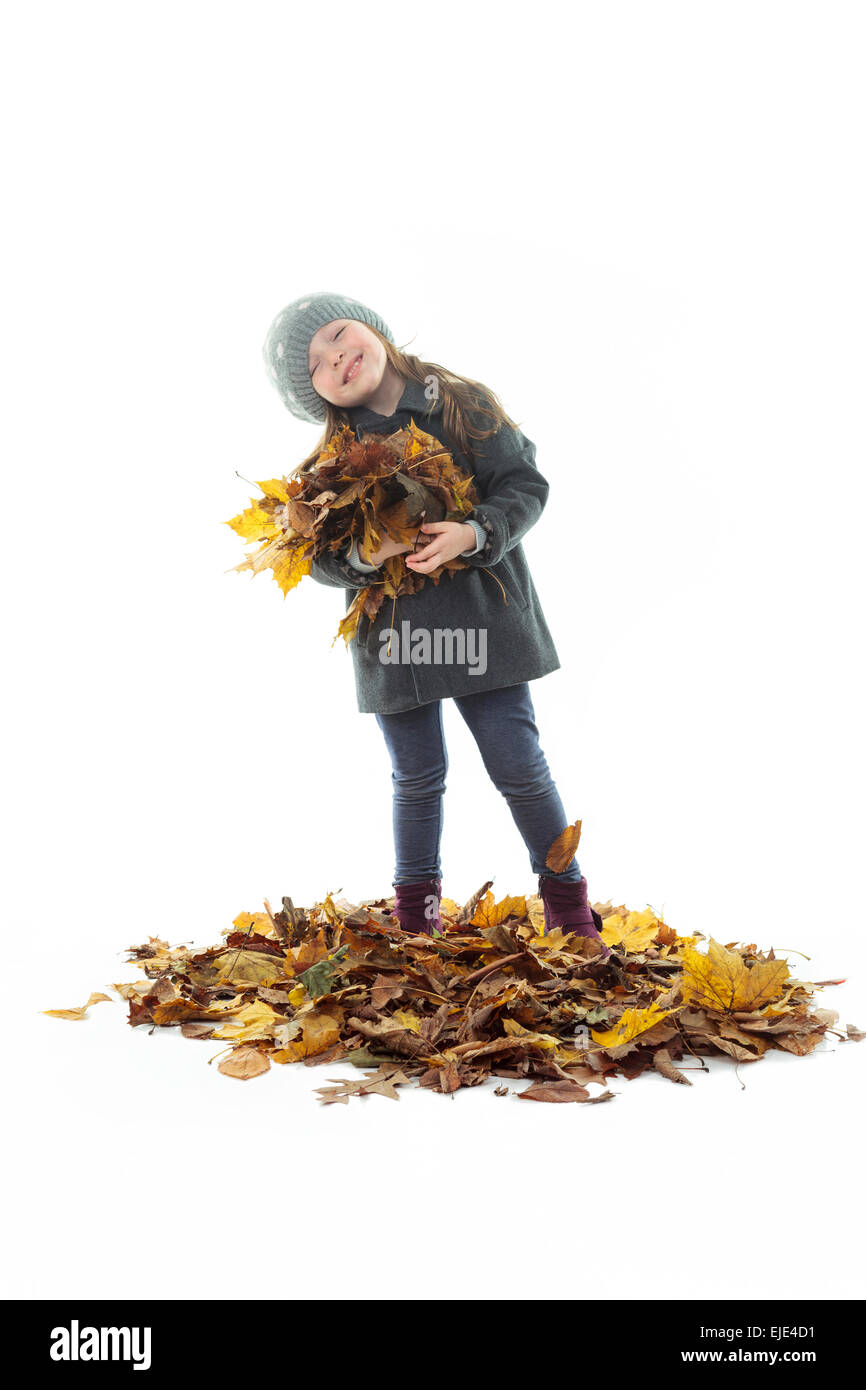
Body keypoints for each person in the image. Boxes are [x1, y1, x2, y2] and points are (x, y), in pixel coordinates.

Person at [262, 291, 608, 957]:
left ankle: (569, 910)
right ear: (317, 397)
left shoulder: (459, 403)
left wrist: (476, 532)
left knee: (519, 765)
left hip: (484, 621)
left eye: (337, 333)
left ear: (371, 326)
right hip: (396, 642)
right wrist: (367, 554)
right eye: (316, 365)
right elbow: (317, 558)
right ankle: (417, 923)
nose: (337, 356)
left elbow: (524, 485)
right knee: (417, 776)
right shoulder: (327, 465)